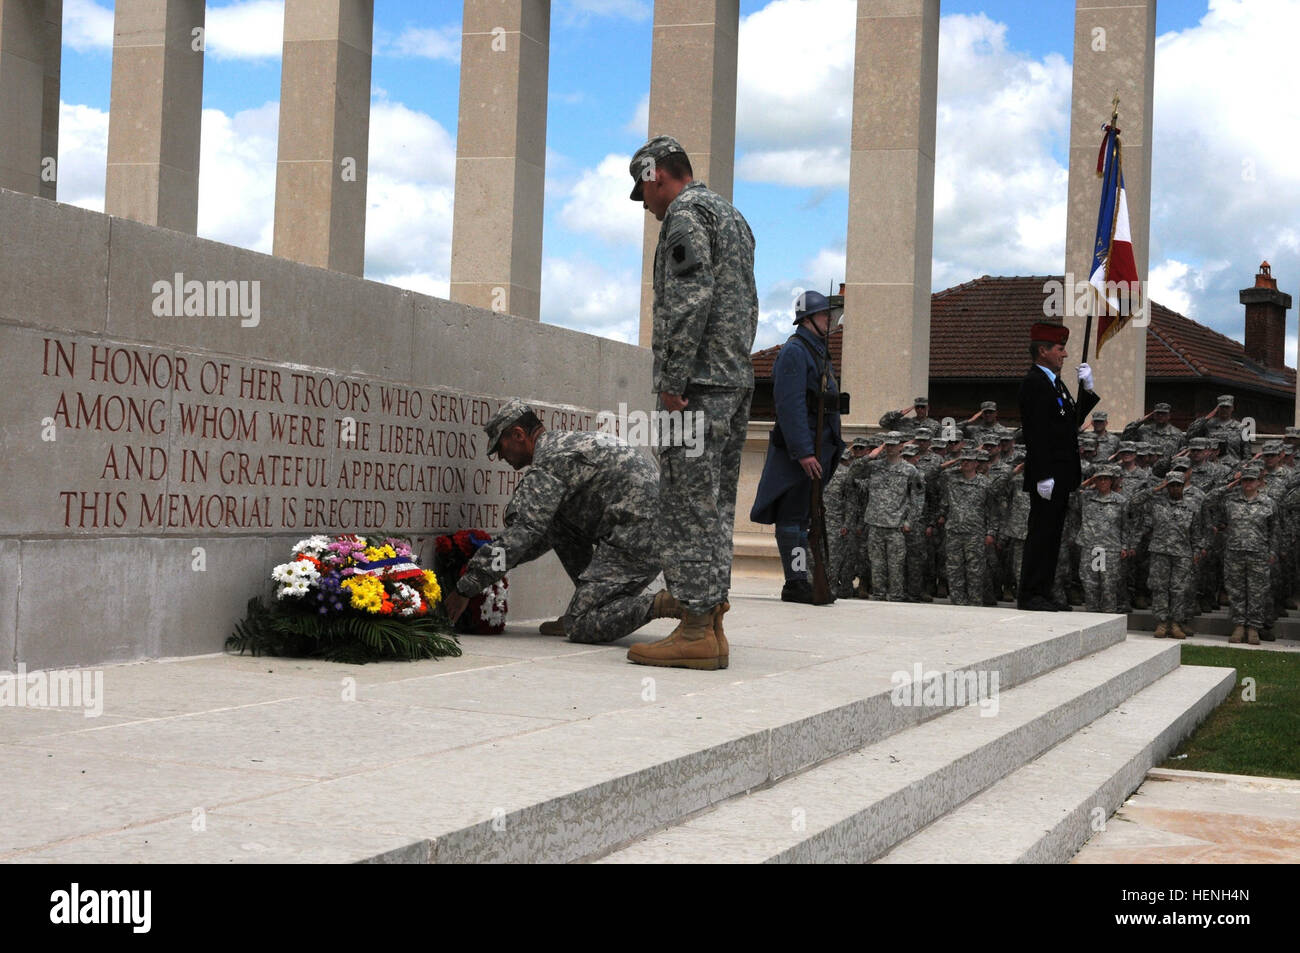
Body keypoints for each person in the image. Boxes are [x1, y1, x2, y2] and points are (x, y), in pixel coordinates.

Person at [625, 134, 758, 670]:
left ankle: (697, 628)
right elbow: (744, 300)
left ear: (655, 175)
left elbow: (689, 300)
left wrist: (674, 379)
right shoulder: (731, 215)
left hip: (698, 387)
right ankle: (713, 622)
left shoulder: (685, 215)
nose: (648, 207)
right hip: (732, 380)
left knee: (686, 505)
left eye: (644, 192)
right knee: (716, 504)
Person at [444, 400, 679, 645]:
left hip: (640, 535)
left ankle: (666, 604)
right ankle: (588, 602)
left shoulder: (548, 463)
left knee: (581, 624)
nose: (500, 456)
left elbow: (522, 535)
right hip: (649, 528)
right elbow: (539, 535)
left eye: (500, 446)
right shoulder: (563, 445)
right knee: (557, 522)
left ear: (518, 434)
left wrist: (466, 587)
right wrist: (492, 564)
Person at [750, 290, 845, 603]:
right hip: (800, 455)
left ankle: (803, 578)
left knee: (805, 518)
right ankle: (796, 582)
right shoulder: (796, 351)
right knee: (793, 518)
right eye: (824, 315)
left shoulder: (816, 351)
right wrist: (804, 451)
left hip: (818, 450)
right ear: (807, 319)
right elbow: (790, 405)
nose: (830, 321)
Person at [1017, 322, 1099, 611]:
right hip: (1048, 475)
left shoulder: (1055, 382)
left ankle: (1044, 591)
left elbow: (1070, 421)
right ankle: (1030, 594)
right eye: (1059, 348)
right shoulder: (1035, 383)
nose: (1064, 354)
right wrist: (1042, 475)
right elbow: (1036, 433)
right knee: (1041, 535)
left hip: (1061, 474)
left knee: (1052, 536)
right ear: (1043, 351)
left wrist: (1087, 391)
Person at [1206, 465, 1279, 645]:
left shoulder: (1268, 503)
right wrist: (1230, 484)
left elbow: (1275, 531)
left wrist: (1272, 552)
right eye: (1244, 480)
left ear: (1259, 482)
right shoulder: (1230, 501)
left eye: (1251, 480)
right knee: (1236, 591)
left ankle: (1253, 627)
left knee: (1257, 592)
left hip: (1258, 553)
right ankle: (1239, 626)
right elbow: (1208, 501)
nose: (1248, 484)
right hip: (1234, 553)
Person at [1129, 472, 1203, 639]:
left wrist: (1197, 551)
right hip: (1159, 552)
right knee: (1160, 588)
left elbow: (1196, 533)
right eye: (1172, 485)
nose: (1175, 488)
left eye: (1178, 485)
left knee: (1179, 589)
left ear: (1183, 487)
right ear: (1167, 486)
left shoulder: (1192, 506)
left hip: (1182, 554)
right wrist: (1156, 489)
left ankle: (1176, 623)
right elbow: (1133, 502)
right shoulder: (1156, 503)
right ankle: (1162, 622)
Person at [861, 432, 924, 601]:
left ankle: (896, 596)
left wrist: (910, 521)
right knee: (876, 564)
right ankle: (879, 595)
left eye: (893, 444)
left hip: (896, 526)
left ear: (901, 446)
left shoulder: (910, 470)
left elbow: (918, 498)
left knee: (896, 565)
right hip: (875, 523)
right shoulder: (874, 466)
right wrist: (871, 455)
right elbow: (854, 472)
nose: (890, 448)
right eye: (887, 444)